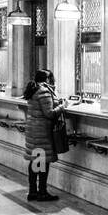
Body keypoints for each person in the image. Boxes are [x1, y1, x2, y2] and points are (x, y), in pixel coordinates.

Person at [23, 68, 65, 201]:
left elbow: (42, 106)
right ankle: (42, 192)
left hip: (33, 130)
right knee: (42, 163)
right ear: (47, 79)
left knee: (36, 161)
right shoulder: (44, 91)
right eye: (51, 78)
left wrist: (57, 102)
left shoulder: (34, 89)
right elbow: (50, 113)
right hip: (42, 131)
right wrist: (63, 106)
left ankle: (33, 191)